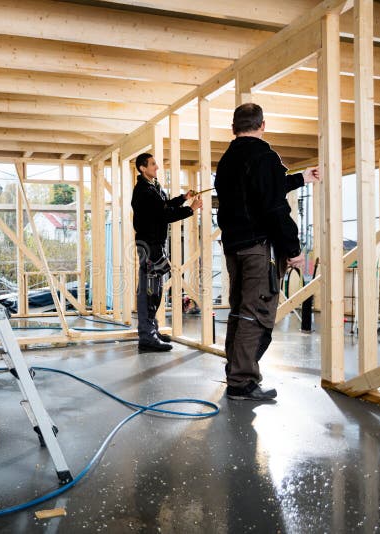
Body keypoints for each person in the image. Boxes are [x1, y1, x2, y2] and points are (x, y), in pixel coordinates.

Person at [215, 103, 320, 400]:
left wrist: (301, 178)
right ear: (263, 125)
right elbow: (273, 205)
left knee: (239, 309)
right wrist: (293, 250)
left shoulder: (227, 160)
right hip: (257, 248)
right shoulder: (265, 156)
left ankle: (235, 370)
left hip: (234, 246)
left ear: (234, 127)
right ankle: (242, 381)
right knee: (256, 312)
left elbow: (260, 188)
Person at [131, 153, 203, 351]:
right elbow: (163, 214)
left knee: (155, 288)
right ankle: (147, 337)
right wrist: (191, 209)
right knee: (149, 289)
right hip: (149, 245)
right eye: (153, 164)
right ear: (142, 168)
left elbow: (164, 205)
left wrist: (183, 198)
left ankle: (151, 330)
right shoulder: (143, 191)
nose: (157, 167)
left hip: (155, 244)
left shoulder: (154, 187)